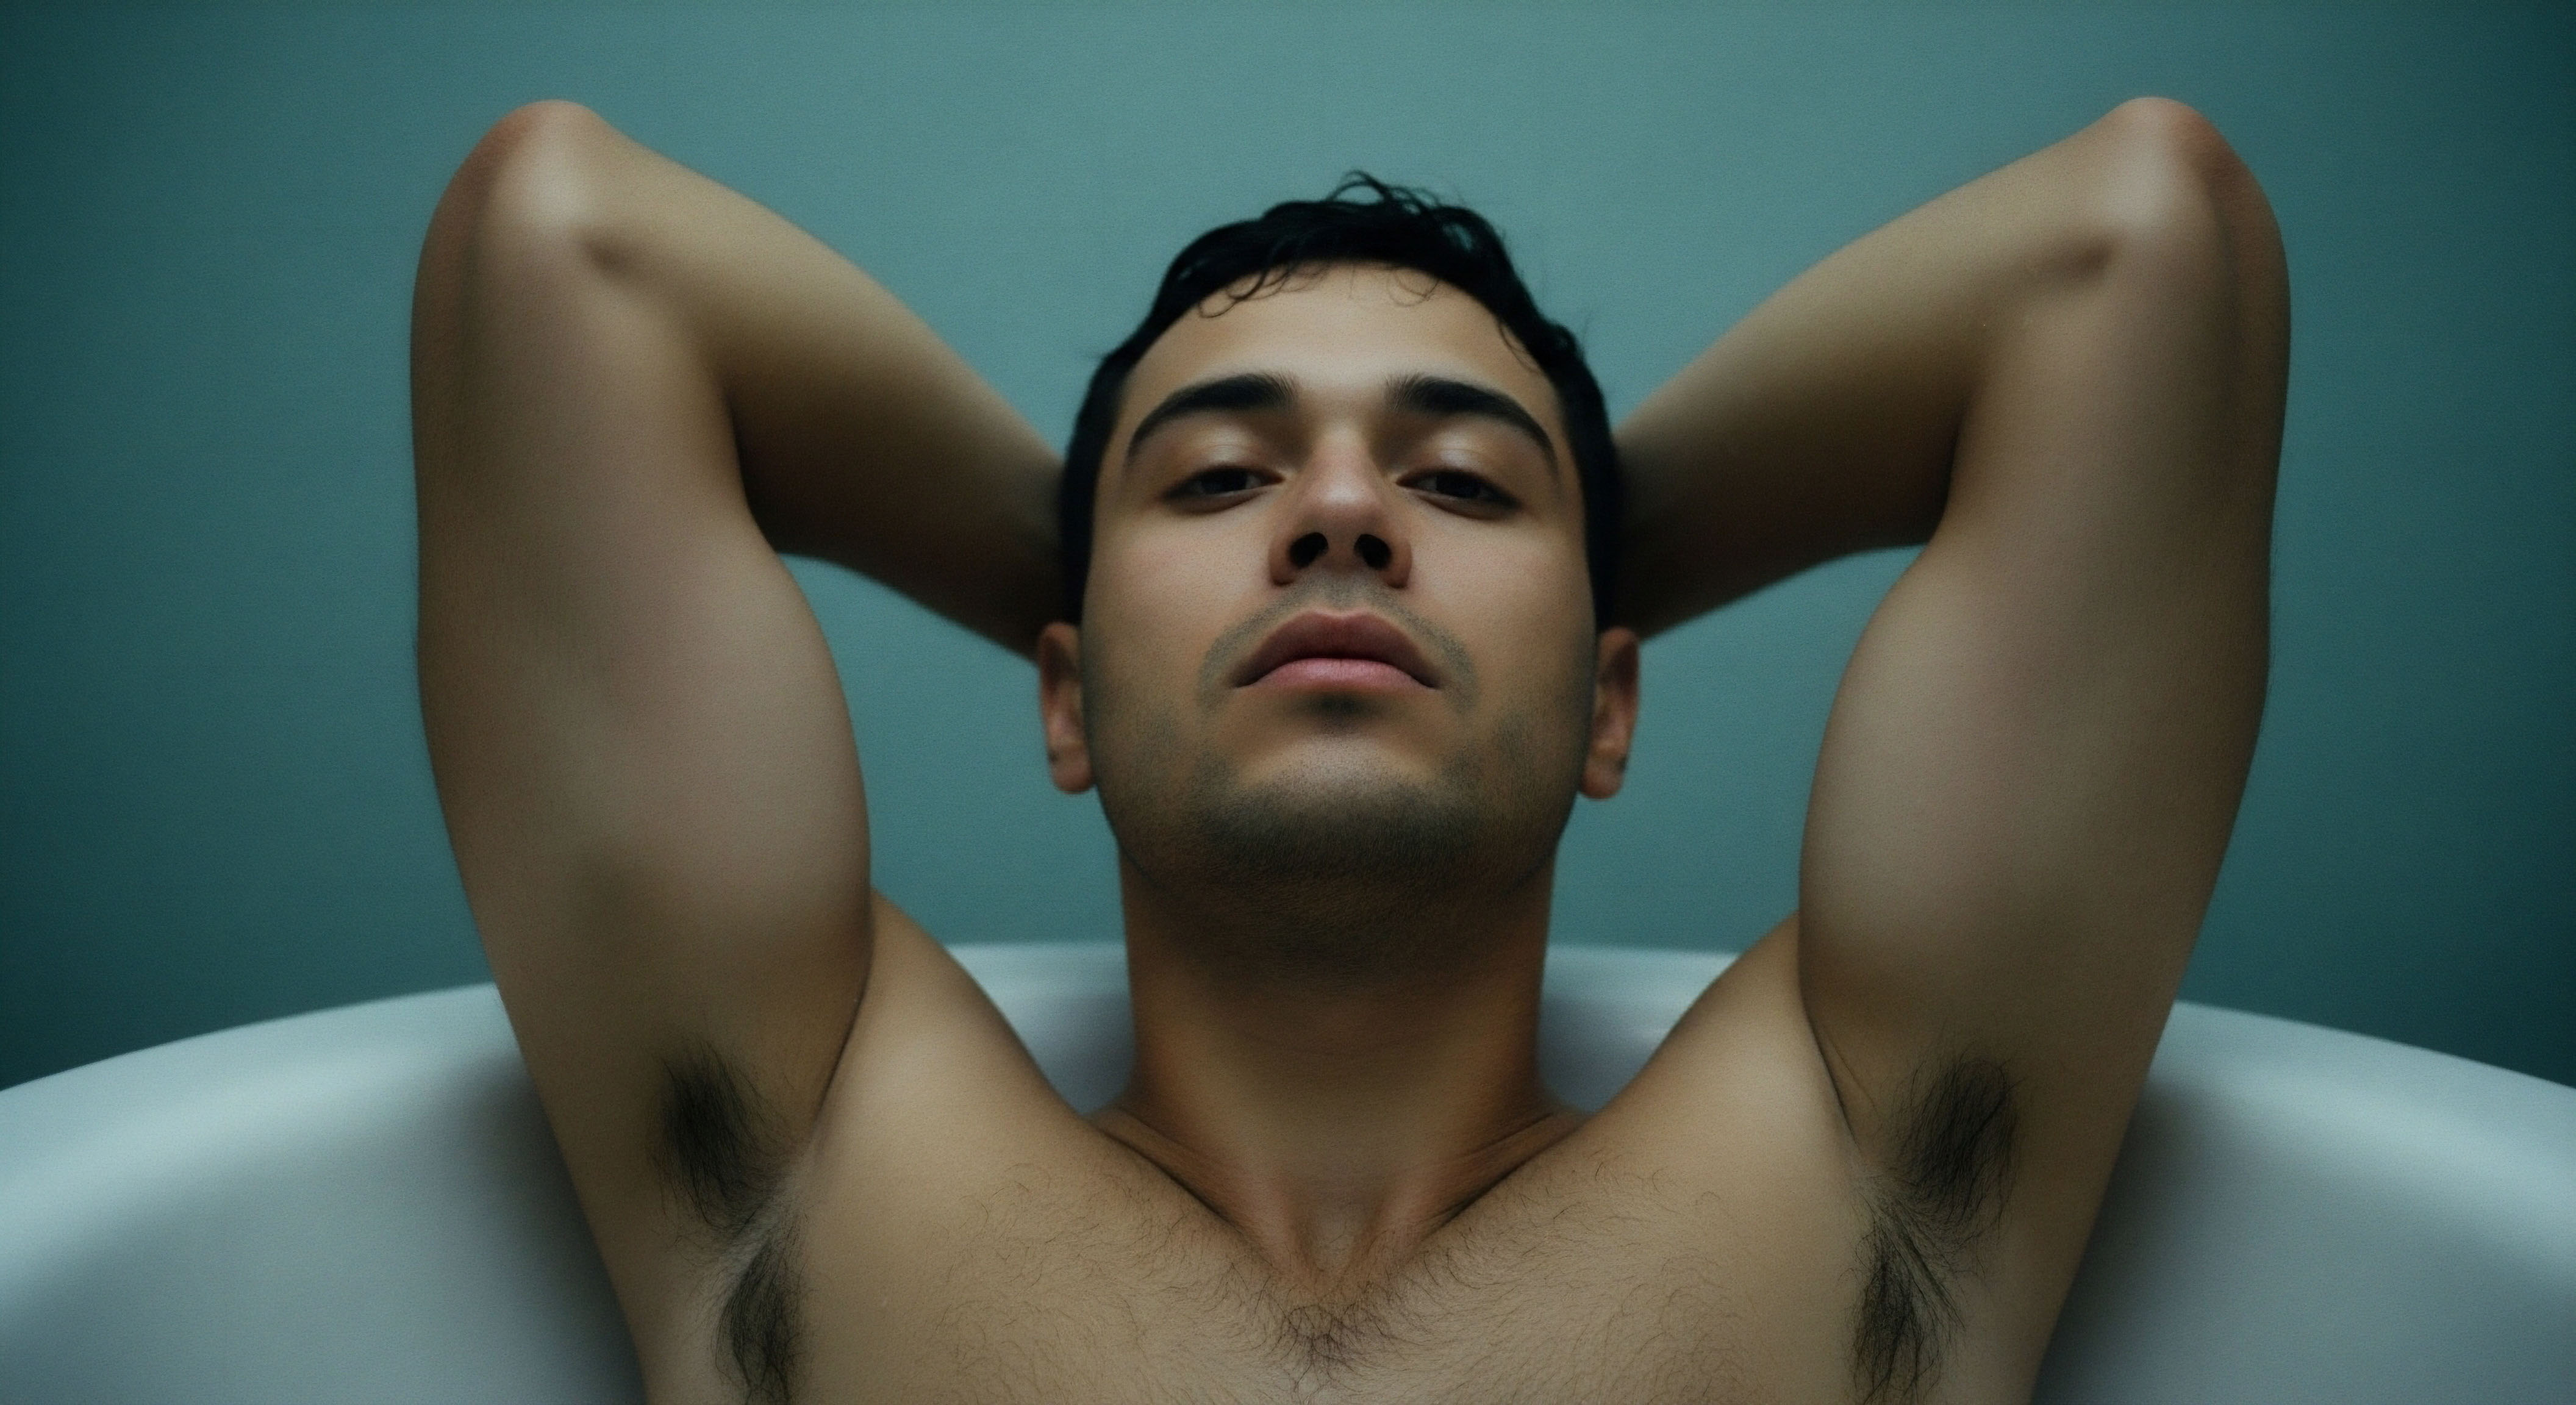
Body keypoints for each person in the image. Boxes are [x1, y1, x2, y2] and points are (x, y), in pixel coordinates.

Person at [411, 93, 2284, 1404]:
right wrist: (1464, 580)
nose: (1337, 514)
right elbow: (561, 246)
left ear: (1610, 707)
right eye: (1222, 476)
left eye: (1457, 480)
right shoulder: (798, 1155)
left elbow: (2138, 247)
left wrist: (1439, 595)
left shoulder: (1872, 1166)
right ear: (1059, 698)